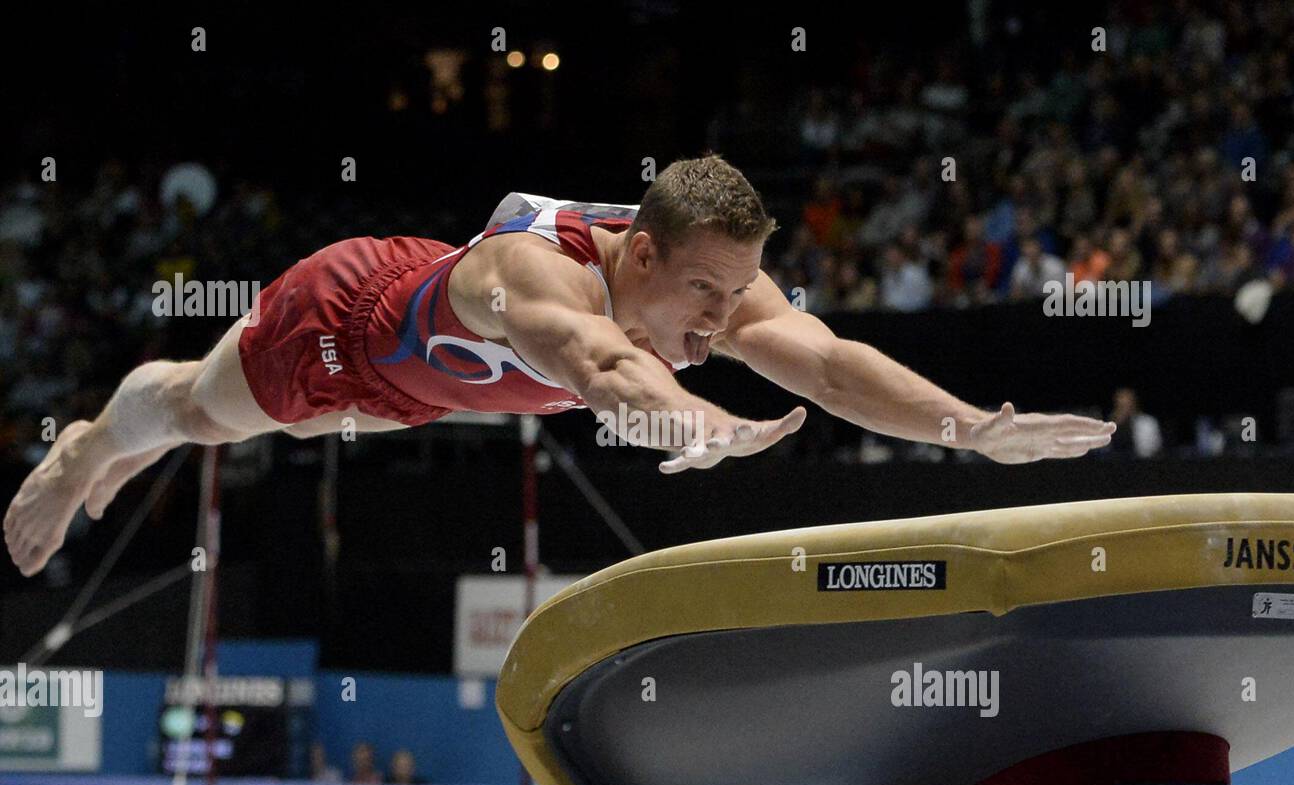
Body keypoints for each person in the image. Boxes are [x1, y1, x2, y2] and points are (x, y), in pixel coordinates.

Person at [4, 155, 1115, 577]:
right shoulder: (532, 276)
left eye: (737, 299)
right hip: (341, 322)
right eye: (706, 297)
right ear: (640, 251)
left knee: (266, 428)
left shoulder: (705, 285)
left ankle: (110, 442)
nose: (725, 320)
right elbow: (599, 370)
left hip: (421, 395)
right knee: (206, 416)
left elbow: (827, 364)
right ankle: (88, 445)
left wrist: (968, 426)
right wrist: (695, 422)